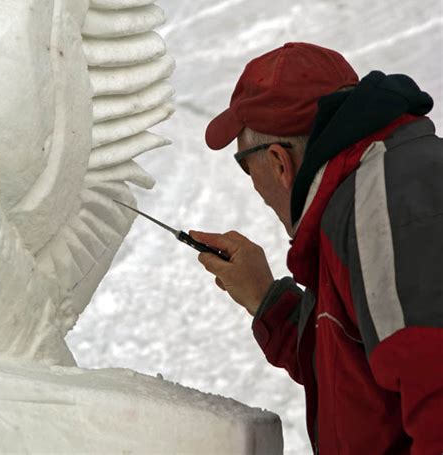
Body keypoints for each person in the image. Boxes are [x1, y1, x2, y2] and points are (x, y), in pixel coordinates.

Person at [189, 41, 443, 455]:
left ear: (277, 162)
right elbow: (355, 374)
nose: (254, 185)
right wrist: (267, 301)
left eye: (245, 164)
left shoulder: (387, 204)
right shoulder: (360, 198)